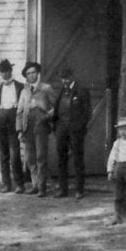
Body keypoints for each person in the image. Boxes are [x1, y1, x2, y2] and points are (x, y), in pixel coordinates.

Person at [16, 61, 55, 197]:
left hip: (41, 125)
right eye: (28, 74)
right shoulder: (24, 91)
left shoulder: (46, 88)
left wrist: (47, 116)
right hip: (28, 126)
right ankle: (35, 184)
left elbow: (55, 107)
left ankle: (42, 187)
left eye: (33, 72)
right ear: (26, 77)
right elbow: (20, 112)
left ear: (38, 73)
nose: (31, 75)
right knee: (30, 158)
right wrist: (20, 130)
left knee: (41, 156)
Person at [54, 65, 91, 199]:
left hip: (76, 130)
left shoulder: (81, 91)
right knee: (61, 159)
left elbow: (87, 112)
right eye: (62, 79)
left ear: (72, 76)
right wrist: (57, 127)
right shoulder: (61, 92)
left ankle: (79, 190)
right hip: (62, 129)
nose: (64, 81)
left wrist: (79, 126)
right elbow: (57, 110)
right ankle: (62, 189)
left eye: (67, 78)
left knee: (77, 159)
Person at [0, 59, 25, 193]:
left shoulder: (20, 86)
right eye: (2, 72)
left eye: (6, 71)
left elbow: (22, 106)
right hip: (1, 120)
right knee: (3, 154)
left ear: (11, 71)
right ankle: (6, 184)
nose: (4, 74)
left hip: (14, 120)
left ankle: (19, 184)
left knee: (14, 154)